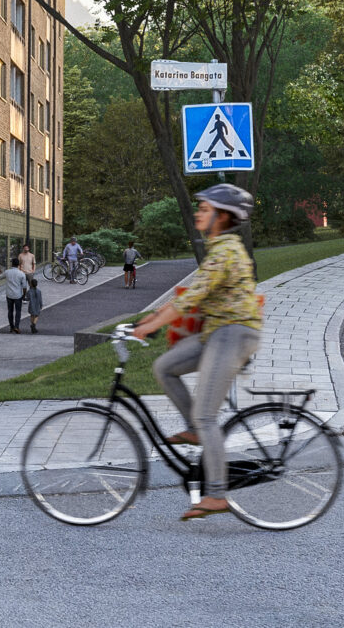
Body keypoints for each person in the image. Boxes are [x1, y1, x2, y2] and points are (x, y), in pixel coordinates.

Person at [131, 184, 262, 521]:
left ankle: (216, 494)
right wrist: (154, 317)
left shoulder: (227, 252)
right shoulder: (218, 247)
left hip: (233, 334)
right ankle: (193, 427)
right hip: (215, 332)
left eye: (205, 209)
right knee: (165, 366)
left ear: (221, 216)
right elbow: (191, 295)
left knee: (208, 416)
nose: (199, 213)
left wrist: (150, 325)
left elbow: (191, 298)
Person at [3, 257, 29, 334]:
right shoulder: (22, 274)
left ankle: (11, 327)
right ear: (19, 265)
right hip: (18, 295)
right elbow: (24, 287)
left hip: (9, 294)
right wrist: (23, 295)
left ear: (12, 264)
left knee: (10, 311)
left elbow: (0, 276)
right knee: (18, 311)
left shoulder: (7, 272)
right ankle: (16, 327)